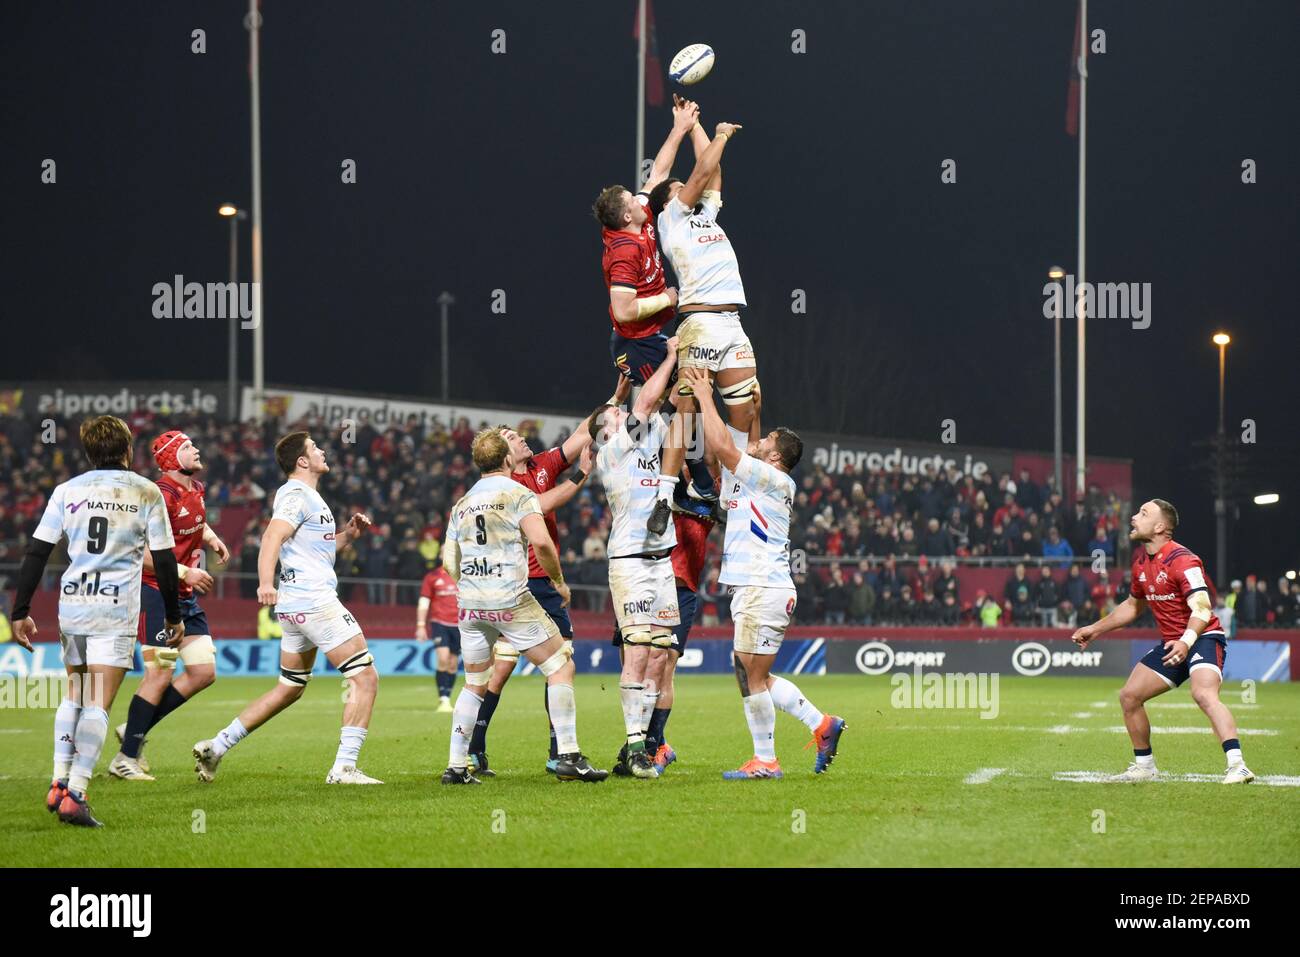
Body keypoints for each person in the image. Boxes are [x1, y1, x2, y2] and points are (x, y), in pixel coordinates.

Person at [10, 415, 183, 826]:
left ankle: (58, 779)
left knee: (75, 693)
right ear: (127, 450)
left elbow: (37, 552)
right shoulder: (145, 492)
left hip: (73, 607)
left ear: (88, 452)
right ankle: (77, 793)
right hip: (114, 610)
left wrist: (19, 611)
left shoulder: (67, 490)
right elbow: (163, 559)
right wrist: (174, 614)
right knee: (98, 704)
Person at [682, 366, 844, 779]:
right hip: (760, 586)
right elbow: (750, 442)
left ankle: (766, 761)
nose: (760, 441)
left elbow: (722, 446)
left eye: (768, 440)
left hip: (761, 585)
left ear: (775, 458)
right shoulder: (760, 476)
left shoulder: (771, 479)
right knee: (754, 673)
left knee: (749, 676)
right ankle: (822, 725)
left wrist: (704, 394)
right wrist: (755, 410)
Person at [192, 432, 382, 785]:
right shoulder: (297, 494)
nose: (323, 450)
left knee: (290, 687)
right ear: (303, 461)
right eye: (315, 448)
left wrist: (348, 536)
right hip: (313, 600)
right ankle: (344, 768)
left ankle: (217, 746)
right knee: (364, 678)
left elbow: (311, 548)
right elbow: (272, 537)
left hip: (297, 603)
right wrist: (265, 583)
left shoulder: (306, 497)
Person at [440, 429, 606, 784]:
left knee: (474, 682)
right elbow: (542, 543)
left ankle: (456, 766)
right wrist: (559, 581)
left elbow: (448, 559)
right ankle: (569, 756)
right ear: (504, 460)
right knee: (560, 665)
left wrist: (468, 584)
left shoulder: (463, 502)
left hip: (470, 606)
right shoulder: (519, 493)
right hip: (510, 599)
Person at [1072, 499, 1254, 784]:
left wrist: (1187, 641)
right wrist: (1094, 629)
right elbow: (1133, 607)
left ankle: (1238, 765)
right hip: (1173, 643)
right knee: (1129, 696)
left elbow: (1203, 609)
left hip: (1203, 637)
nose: (1133, 517)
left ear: (1159, 527)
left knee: (1203, 694)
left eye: (1142, 513)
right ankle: (1144, 766)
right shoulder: (1141, 563)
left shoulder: (1183, 559)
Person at [644, 101, 751, 534]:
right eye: (675, 185)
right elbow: (704, 172)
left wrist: (698, 127)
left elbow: (714, 175)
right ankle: (664, 496)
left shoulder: (703, 215)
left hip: (733, 322)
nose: (682, 186)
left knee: (749, 406)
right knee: (686, 409)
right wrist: (721, 134)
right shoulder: (671, 218)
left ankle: (733, 490)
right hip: (701, 321)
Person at [110, 431, 230, 781]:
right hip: (153, 593)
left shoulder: (195, 490)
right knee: (159, 674)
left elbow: (193, 521)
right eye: (188, 447)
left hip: (183, 596)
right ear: (171, 457)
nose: (196, 449)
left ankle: (133, 728)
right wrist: (184, 572)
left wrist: (212, 538)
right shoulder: (159, 494)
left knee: (203, 672)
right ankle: (125, 758)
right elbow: (139, 550)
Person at [591, 345, 682, 779]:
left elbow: (661, 400)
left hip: (662, 558)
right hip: (629, 560)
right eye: (612, 416)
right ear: (604, 433)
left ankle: (642, 744)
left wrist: (686, 369)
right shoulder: (611, 453)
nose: (619, 414)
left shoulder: (649, 436)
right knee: (640, 651)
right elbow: (645, 402)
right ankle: (633, 745)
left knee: (662, 654)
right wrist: (669, 355)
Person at [416, 558, 460, 713]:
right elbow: (424, 602)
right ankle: (443, 699)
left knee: (453, 663)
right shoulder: (433, 576)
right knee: (443, 658)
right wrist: (421, 625)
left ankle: (448, 696)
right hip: (439, 623)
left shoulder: (463, 573)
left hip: (459, 625)